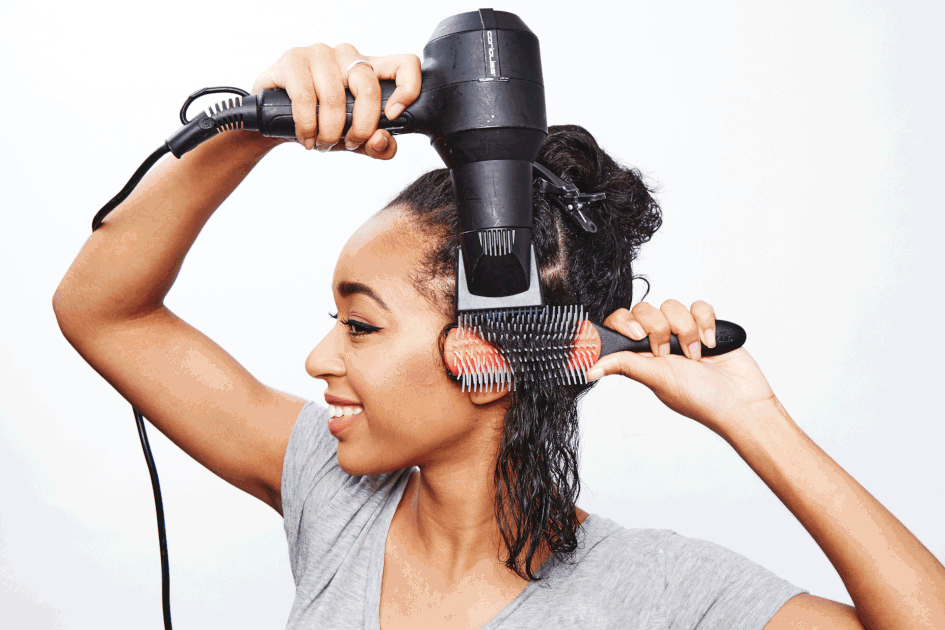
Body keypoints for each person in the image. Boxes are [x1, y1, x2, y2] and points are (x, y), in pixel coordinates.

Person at [52, 42, 945, 630]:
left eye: (360, 325)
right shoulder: (336, 500)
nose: (320, 358)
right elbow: (104, 310)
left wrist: (755, 418)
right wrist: (253, 124)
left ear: (487, 361)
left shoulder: (658, 594)